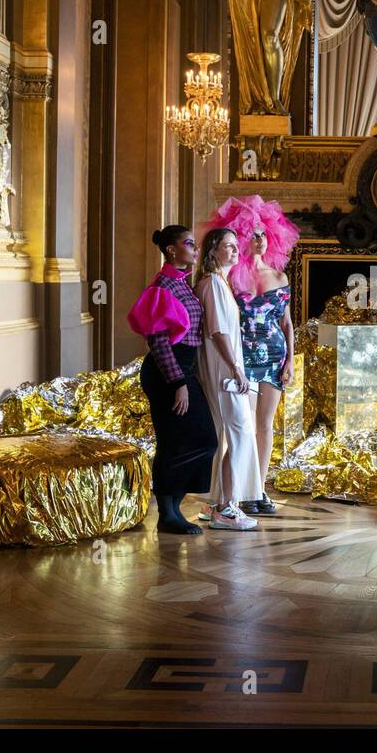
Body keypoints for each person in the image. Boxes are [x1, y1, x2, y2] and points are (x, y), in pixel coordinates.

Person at [208, 195, 299, 517]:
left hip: (275, 356)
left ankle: (259, 490)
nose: (258, 240)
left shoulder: (280, 276)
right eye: (252, 234)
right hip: (243, 359)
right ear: (241, 239)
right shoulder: (231, 277)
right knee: (242, 428)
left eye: (263, 234)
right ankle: (238, 493)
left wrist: (290, 359)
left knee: (265, 425)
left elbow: (287, 323)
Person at [126, 226, 215, 535]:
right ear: (171, 250)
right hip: (168, 372)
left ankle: (173, 506)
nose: (195, 249)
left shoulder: (182, 283)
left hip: (183, 369)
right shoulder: (163, 286)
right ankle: (167, 513)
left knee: (202, 439)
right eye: (189, 244)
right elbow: (159, 341)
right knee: (176, 441)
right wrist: (178, 383)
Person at [194, 227, 264, 530]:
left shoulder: (220, 282)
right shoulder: (211, 284)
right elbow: (217, 331)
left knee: (230, 436)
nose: (236, 250)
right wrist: (236, 368)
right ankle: (226, 508)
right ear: (213, 251)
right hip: (224, 371)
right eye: (229, 246)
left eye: (237, 246)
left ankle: (220, 503)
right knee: (241, 434)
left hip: (227, 369)